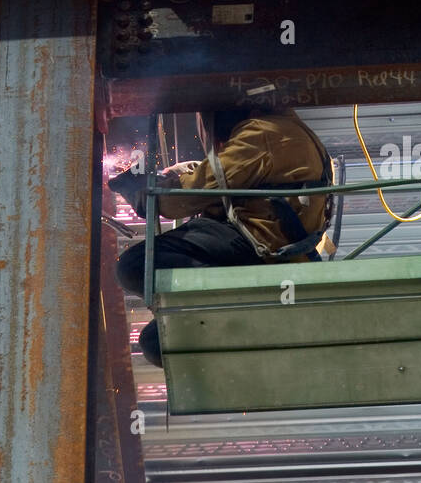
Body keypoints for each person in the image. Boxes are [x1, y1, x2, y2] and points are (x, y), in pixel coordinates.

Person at [112, 106, 334, 367]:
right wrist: (181, 173)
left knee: (134, 266)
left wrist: (145, 194)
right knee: (154, 341)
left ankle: (224, 299)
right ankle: (230, 318)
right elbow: (233, 174)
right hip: (276, 254)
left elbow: (185, 197)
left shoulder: (262, 131)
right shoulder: (290, 134)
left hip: (257, 247)